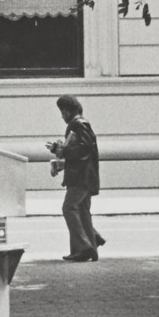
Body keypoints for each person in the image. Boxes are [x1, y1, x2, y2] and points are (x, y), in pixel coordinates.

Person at [49, 95, 102, 262]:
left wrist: (61, 151)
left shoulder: (78, 124)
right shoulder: (81, 124)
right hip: (86, 176)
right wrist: (60, 151)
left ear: (66, 111)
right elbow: (81, 151)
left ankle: (84, 247)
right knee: (82, 210)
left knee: (69, 208)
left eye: (62, 111)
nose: (62, 115)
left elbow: (83, 149)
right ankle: (91, 243)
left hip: (80, 177)